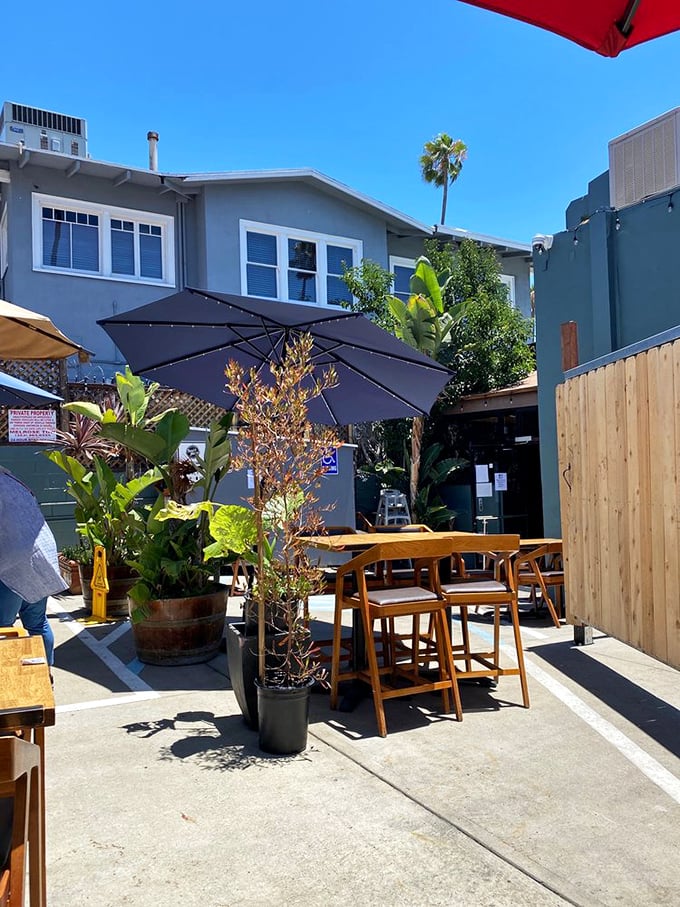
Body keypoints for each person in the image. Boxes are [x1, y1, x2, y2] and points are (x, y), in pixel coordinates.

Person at [0, 466, 67, 666]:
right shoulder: (13, 480)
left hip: (12, 564)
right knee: (37, 623)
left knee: (3, 627)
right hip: (40, 556)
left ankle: (12, 681)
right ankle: (45, 674)